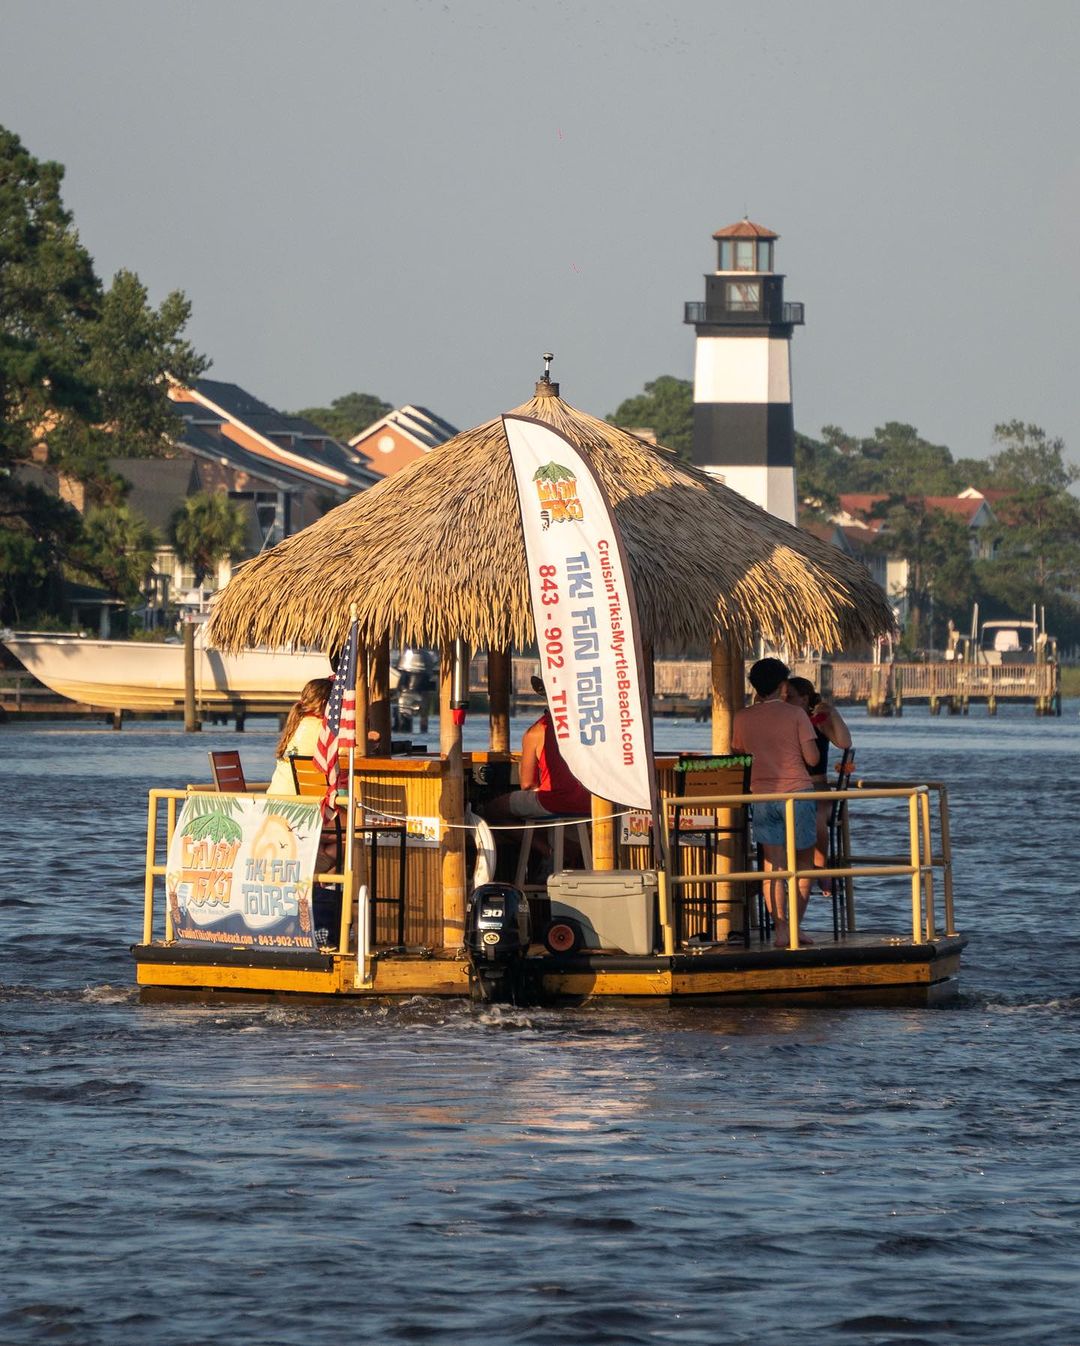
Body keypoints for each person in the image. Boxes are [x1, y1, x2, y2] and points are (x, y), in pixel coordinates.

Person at [732, 657, 820, 947]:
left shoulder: (742, 717)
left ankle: (780, 930)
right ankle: (795, 926)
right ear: (783, 685)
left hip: (763, 795)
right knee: (804, 863)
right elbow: (813, 759)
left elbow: (740, 755)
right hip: (797, 793)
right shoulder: (796, 715)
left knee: (773, 865)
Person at [483, 676, 590, 822]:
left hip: (553, 802)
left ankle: (541, 845)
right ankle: (565, 844)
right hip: (593, 802)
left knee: (493, 809)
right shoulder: (592, 726)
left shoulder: (536, 732)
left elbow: (528, 785)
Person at [783, 676, 852, 896]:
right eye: (783, 697)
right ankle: (789, 867)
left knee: (816, 814)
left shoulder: (818, 721)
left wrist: (833, 714)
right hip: (789, 787)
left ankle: (820, 866)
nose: (785, 701)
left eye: (790, 697)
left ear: (804, 699)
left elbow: (844, 743)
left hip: (817, 786)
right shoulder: (781, 723)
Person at [267, 678, 332, 795]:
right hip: (305, 803)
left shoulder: (296, 722)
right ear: (324, 703)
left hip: (275, 798)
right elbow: (349, 750)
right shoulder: (323, 729)